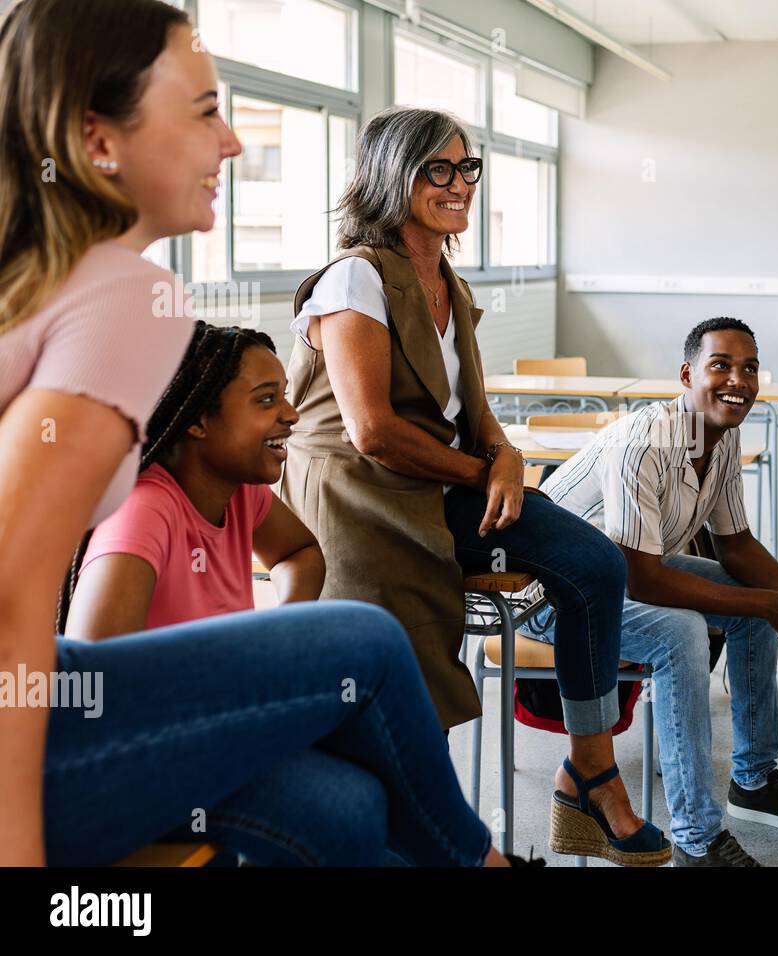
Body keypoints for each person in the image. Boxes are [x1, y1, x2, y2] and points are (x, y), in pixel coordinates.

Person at [0, 0, 521, 867]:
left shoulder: (52, 281)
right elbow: (14, 596)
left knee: (347, 809)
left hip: (55, 697)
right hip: (35, 729)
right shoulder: (122, 298)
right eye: (205, 112)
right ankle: (482, 861)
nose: (234, 143)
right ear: (100, 141)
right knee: (363, 641)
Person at [280, 106, 668, 866]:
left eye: (467, 168)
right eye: (438, 169)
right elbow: (373, 431)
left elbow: (474, 409)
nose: (458, 184)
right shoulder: (357, 276)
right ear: (392, 176)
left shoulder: (447, 280)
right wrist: (485, 470)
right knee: (399, 683)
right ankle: (442, 843)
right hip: (361, 495)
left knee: (595, 565)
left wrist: (507, 457)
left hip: (437, 482)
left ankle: (589, 768)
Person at [535, 318, 778, 867]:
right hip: (552, 594)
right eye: (720, 364)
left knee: (749, 598)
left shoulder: (720, 437)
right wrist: (765, 603)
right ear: (686, 374)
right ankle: (696, 838)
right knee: (681, 633)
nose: (738, 380)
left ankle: (753, 778)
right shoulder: (643, 441)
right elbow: (645, 578)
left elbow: (737, 546)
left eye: (749, 368)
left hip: (620, 570)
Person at [62, 323, 324, 638]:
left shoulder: (240, 490)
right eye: (266, 399)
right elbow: (93, 670)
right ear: (198, 421)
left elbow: (300, 553)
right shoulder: (143, 513)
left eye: (283, 394)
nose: (291, 414)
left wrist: (281, 633)